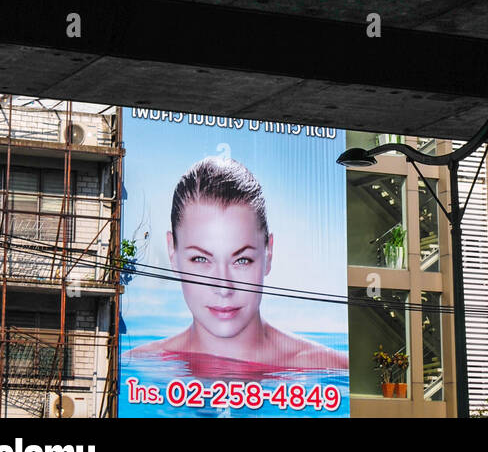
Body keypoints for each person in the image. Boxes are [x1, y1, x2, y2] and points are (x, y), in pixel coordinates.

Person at [130, 157, 347, 371]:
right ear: (172, 252)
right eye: (201, 259)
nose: (224, 288)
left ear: (268, 253)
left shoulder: (330, 368)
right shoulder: (139, 365)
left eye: (242, 260)